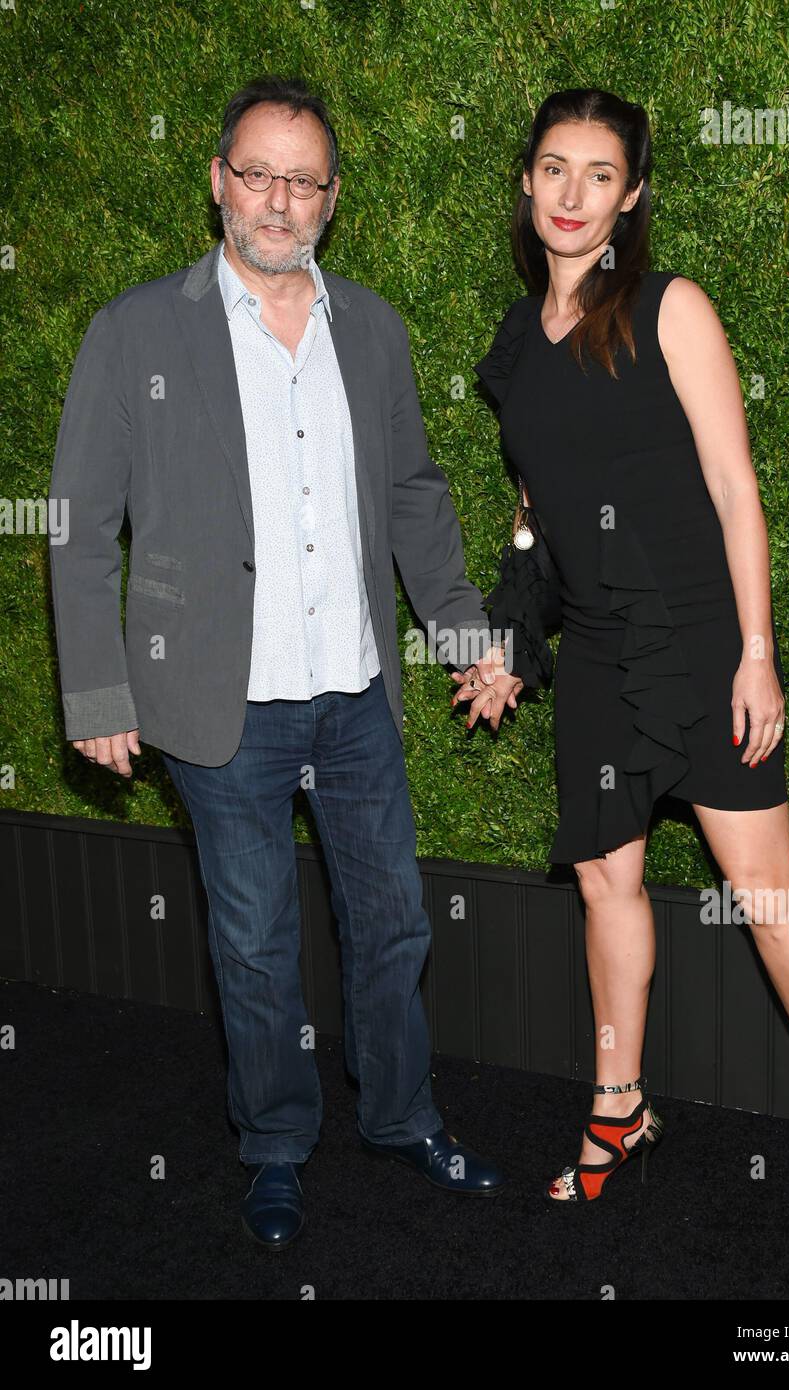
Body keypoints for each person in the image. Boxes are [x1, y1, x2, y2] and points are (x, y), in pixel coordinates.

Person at [47, 74, 511, 1251]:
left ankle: (401, 1115)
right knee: (253, 942)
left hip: (354, 694)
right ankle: (274, 1144)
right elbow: (79, 518)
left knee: (394, 922)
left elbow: (413, 498)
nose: (278, 199)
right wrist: (98, 688)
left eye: (303, 180)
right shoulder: (134, 331)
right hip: (219, 706)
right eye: (258, 172)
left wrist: (464, 633)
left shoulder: (374, 328)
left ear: (331, 201)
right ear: (217, 180)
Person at [453, 88, 789, 1248]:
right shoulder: (515, 341)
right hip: (594, 654)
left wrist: (758, 654)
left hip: (700, 645)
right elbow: (534, 514)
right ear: (527, 181)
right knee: (608, 885)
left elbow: (737, 488)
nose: (572, 193)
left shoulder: (670, 307)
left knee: (767, 893)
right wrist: (509, 645)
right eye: (554, 168)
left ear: (632, 195)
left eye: (600, 174)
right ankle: (619, 1107)